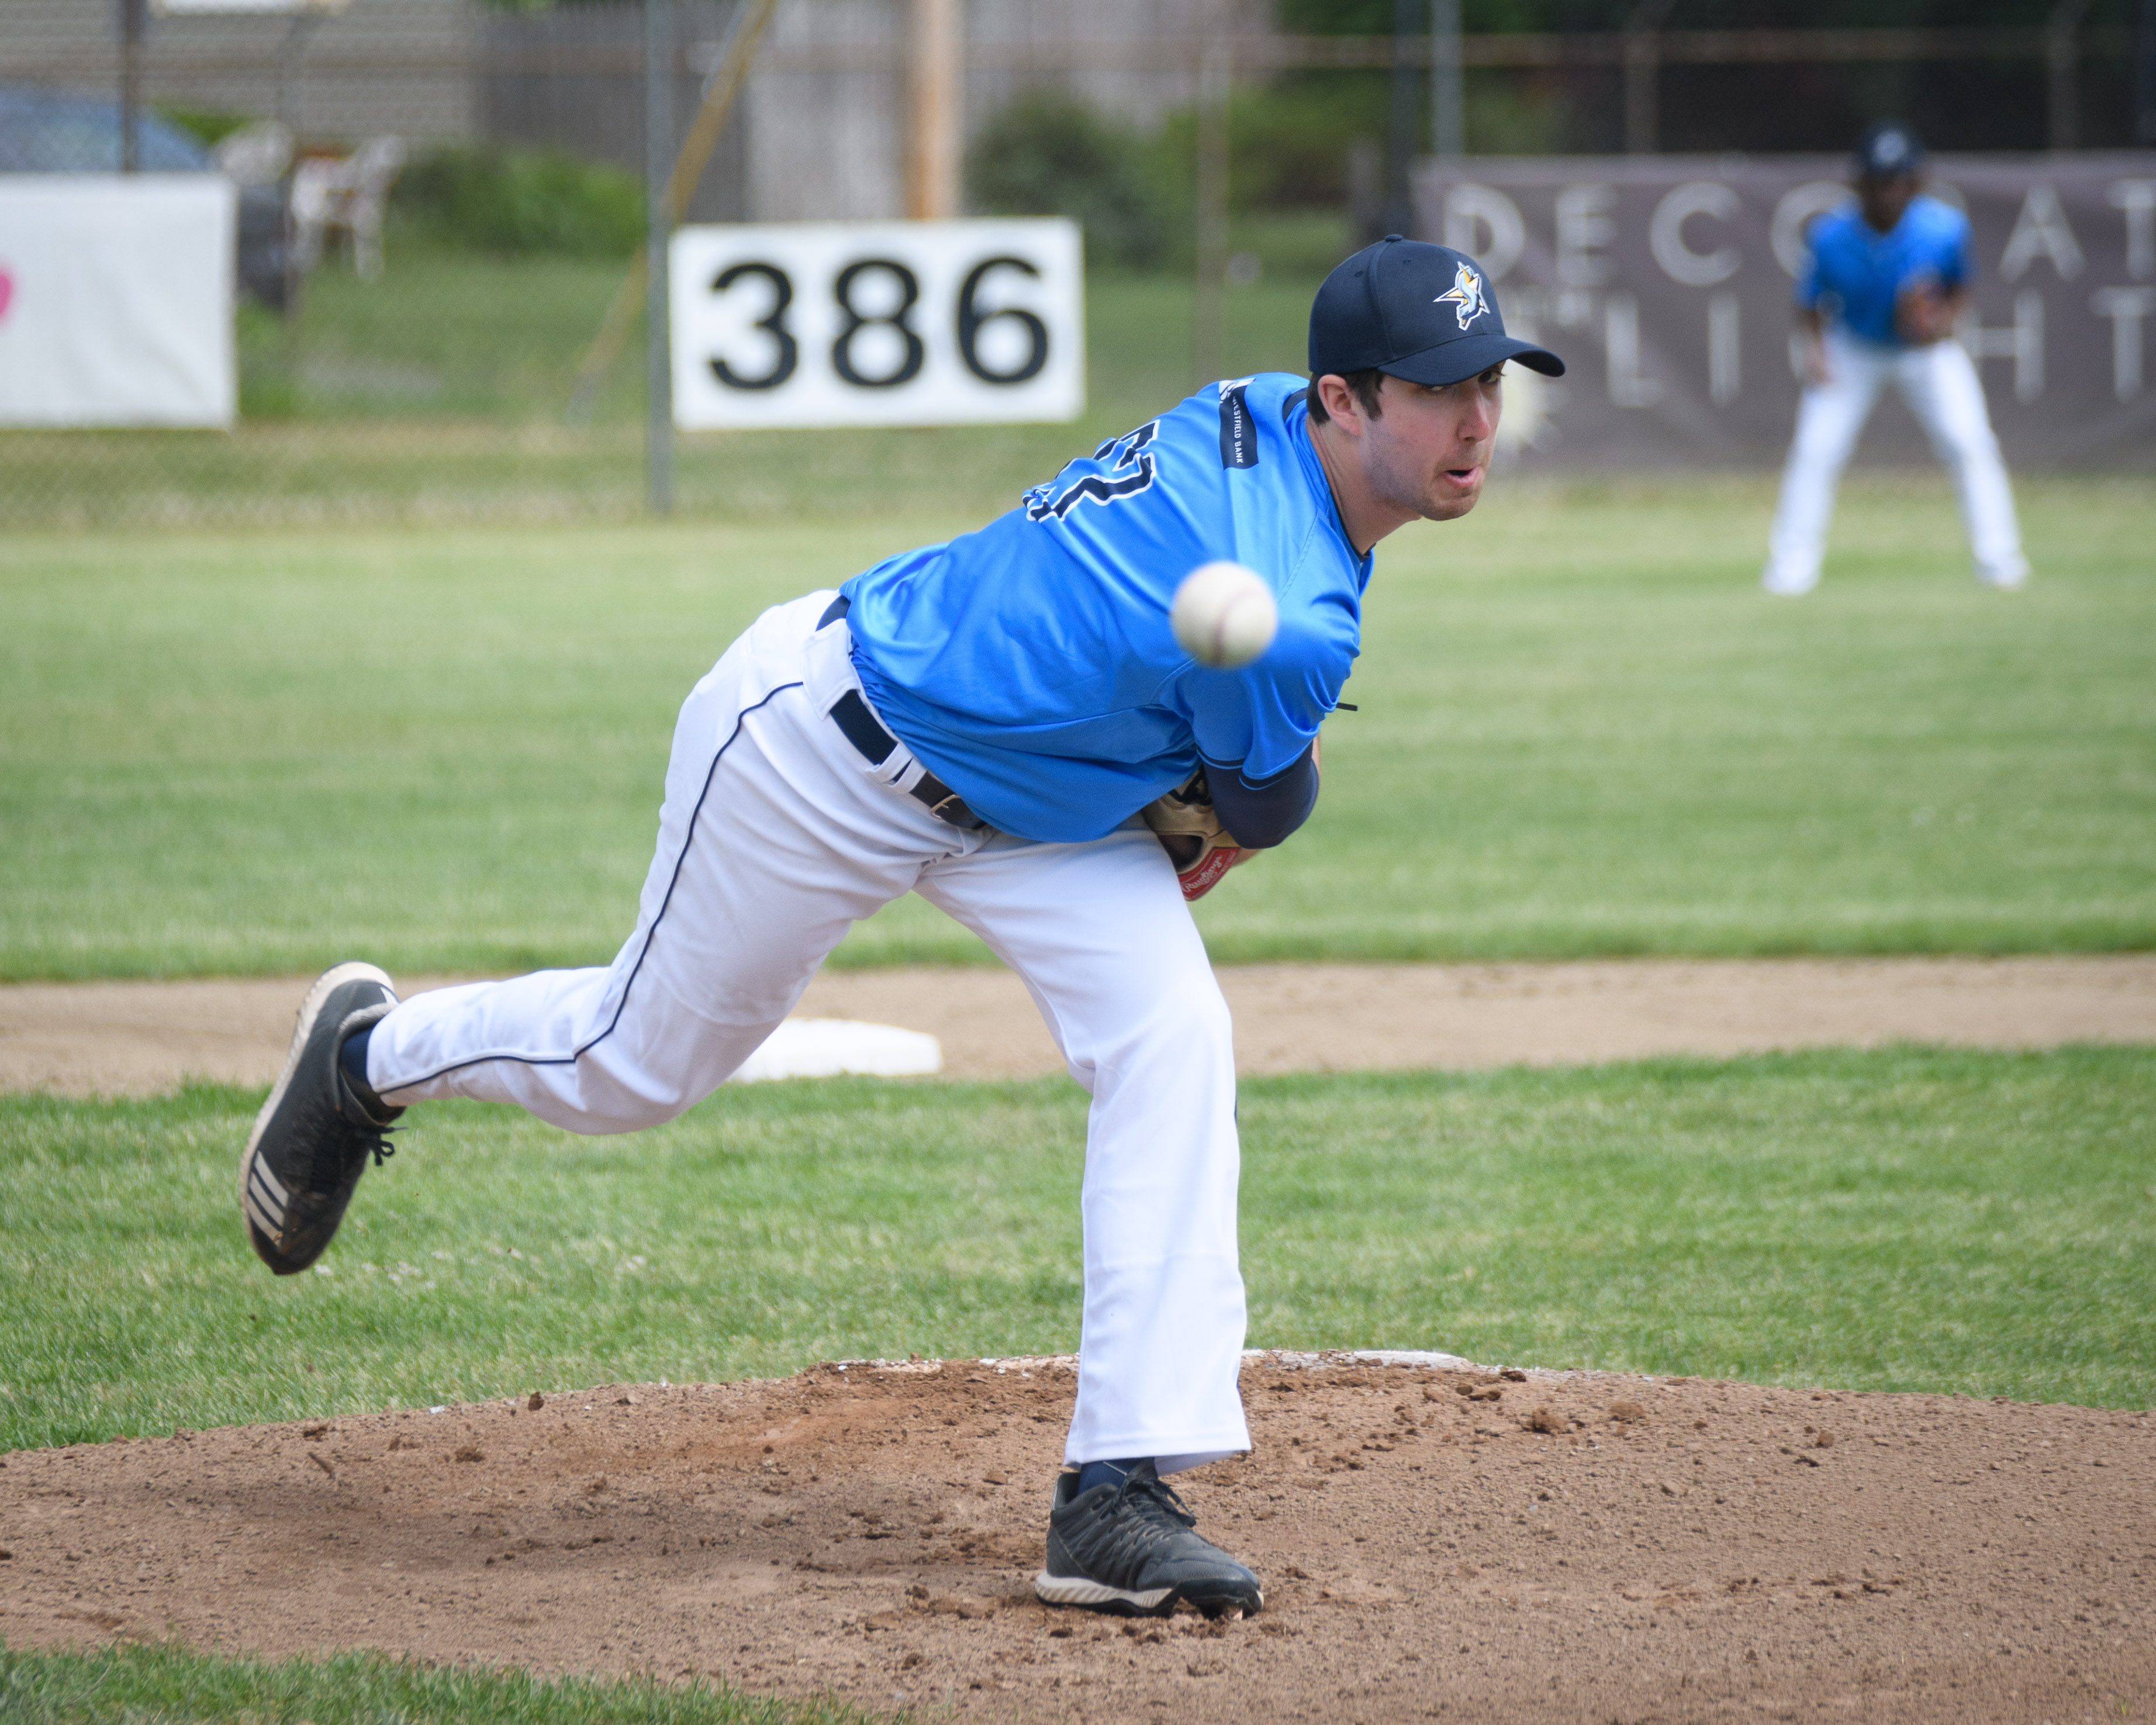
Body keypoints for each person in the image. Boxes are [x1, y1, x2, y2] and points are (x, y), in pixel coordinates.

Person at [236, 236, 1563, 1621]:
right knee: (631, 1065)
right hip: (826, 746)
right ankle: (367, 1056)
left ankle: (1113, 1491)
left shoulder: (1252, 410)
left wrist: (1173, 788)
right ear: (1340, 402)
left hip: (1035, 809)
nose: (1474, 418)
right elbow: (1263, 804)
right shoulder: (1279, 611)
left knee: (1170, 1034)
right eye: (1432, 388)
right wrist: (1219, 800)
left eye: (1486, 377)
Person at [1763, 121, 2029, 596]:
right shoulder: (1831, 235)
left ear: (1916, 181)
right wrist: (1817, 355)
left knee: (1970, 443)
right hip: (1855, 347)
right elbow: (1809, 303)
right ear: (1860, 182)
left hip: (1925, 354)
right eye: (1879, 179)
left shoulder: (1943, 228)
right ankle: (1791, 571)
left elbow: (1958, 290)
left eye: (1898, 179)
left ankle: (1999, 560)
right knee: (1815, 451)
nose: (1889, 190)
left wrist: (1942, 322)